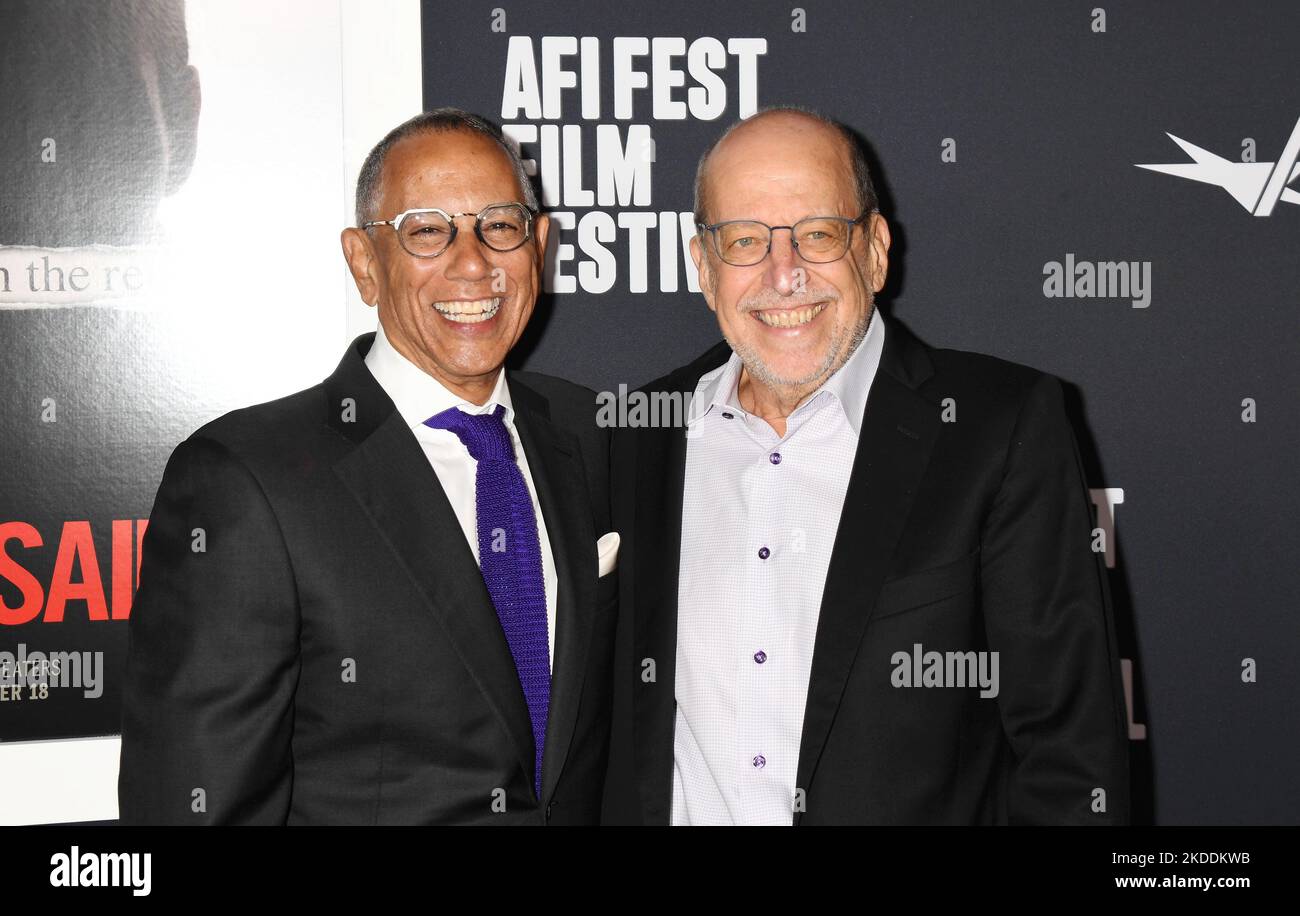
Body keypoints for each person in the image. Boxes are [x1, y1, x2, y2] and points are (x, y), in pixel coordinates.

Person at [601, 107, 1129, 825]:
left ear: (875, 251)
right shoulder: (635, 435)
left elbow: (1069, 756)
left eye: (818, 235)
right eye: (745, 240)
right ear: (704, 265)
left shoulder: (1000, 429)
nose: (783, 275)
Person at [118, 109, 618, 824]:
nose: (472, 262)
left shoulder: (590, 433)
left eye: (499, 226)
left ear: (537, 247)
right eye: (426, 230)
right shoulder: (247, 480)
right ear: (363, 262)